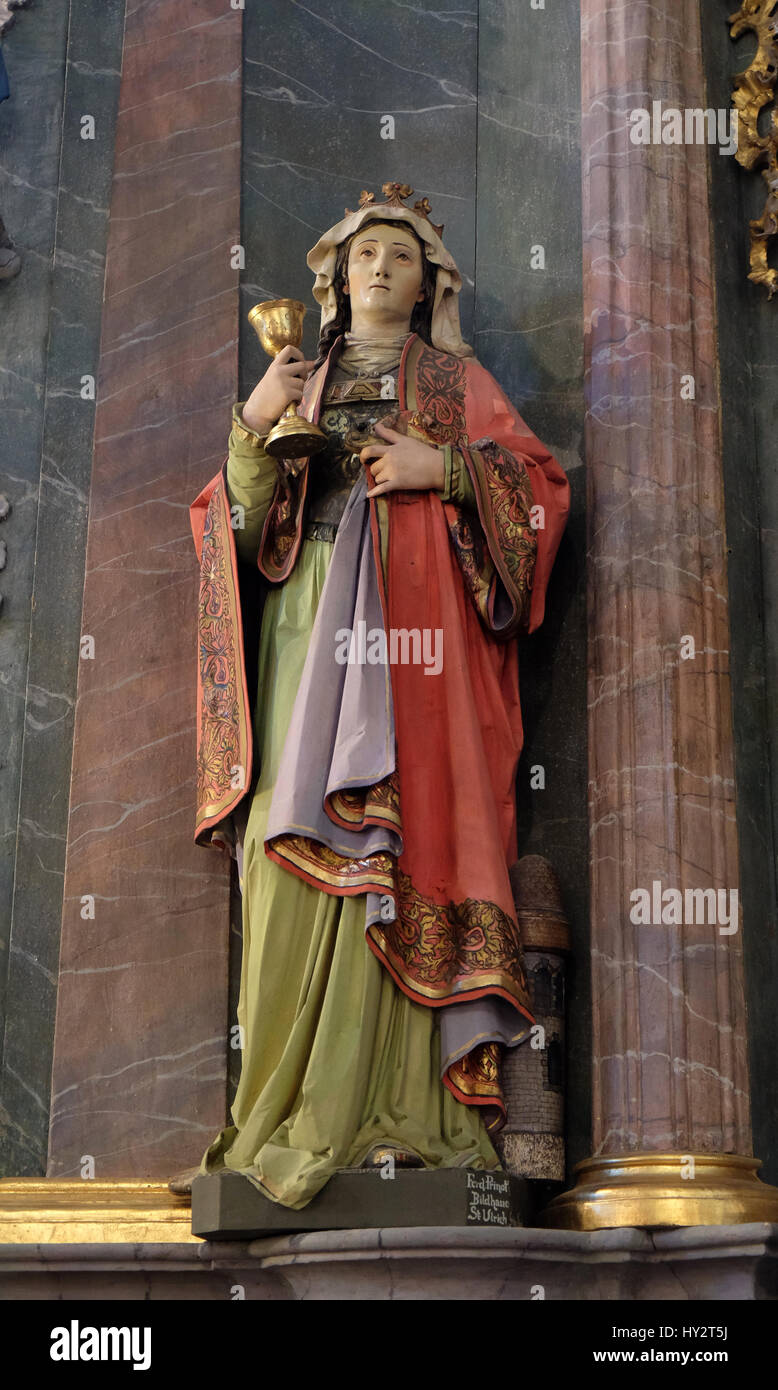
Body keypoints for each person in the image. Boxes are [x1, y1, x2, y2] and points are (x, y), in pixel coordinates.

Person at [183, 183, 570, 1209]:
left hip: (408, 652)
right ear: (336, 281)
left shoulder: (454, 378)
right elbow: (239, 530)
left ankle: (404, 1113)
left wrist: (442, 467)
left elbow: (538, 487)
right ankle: (282, 1108)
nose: (380, 271)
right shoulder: (298, 384)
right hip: (305, 625)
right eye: (362, 258)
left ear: (429, 279)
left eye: (401, 256)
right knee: (286, 851)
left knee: (398, 842)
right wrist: (251, 425)